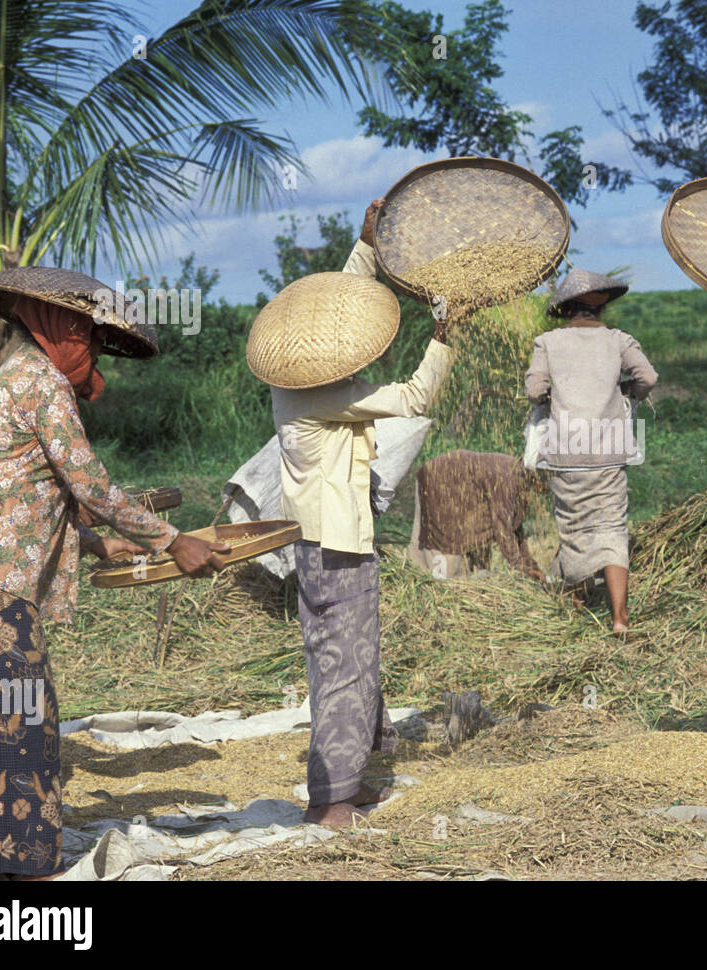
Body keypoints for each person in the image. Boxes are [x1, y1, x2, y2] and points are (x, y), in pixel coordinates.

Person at [0, 267, 227, 879]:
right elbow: (89, 482)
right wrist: (173, 540)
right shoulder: (38, 382)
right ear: (62, 328)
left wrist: (97, 545)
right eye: (89, 335)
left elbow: (30, 484)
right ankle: (26, 865)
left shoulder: (18, 374)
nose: (94, 348)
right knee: (19, 715)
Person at [248, 199, 457, 828]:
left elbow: (334, 316)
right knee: (341, 660)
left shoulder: (292, 381)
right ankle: (330, 798)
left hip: (319, 537)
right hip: (334, 542)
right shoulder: (333, 396)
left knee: (355, 652)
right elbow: (417, 395)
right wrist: (447, 333)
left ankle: (357, 773)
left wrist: (365, 247)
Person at [525, 269, 657, 633]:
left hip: (567, 454)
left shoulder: (548, 342)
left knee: (574, 528)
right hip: (609, 453)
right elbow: (648, 378)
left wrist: (550, 397)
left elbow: (535, 390)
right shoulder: (619, 340)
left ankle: (578, 604)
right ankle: (619, 617)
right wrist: (629, 393)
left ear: (568, 309)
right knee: (612, 528)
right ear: (600, 309)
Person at [408, 450, 544, 581]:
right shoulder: (508, 477)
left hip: (463, 493)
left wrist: (530, 565)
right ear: (539, 478)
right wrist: (520, 565)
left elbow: (515, 528)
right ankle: (417, 578)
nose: (548, 490)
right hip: (441, 479)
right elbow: (502, 528)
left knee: (474, 571)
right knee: (445, 576)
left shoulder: (522, 478)